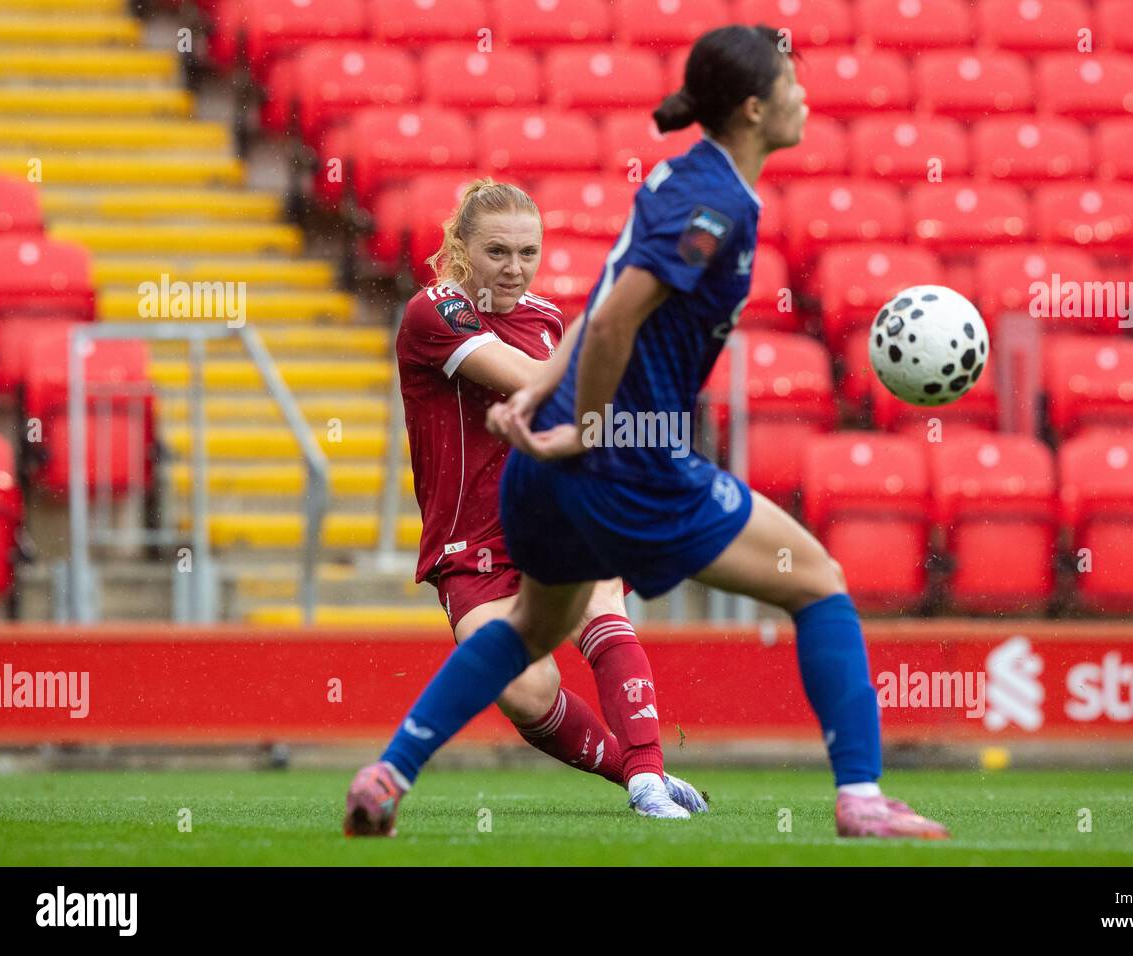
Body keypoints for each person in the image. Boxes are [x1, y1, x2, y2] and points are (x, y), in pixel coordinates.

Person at [346, 25, 949, 840]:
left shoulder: (680, 179)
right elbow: (617, 317)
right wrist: (586, 426)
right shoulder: (716, 202)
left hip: (551, 475)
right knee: (819, 582)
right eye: (792, 84)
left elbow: (594, 310)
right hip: (629, 461)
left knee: (532, 634)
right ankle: (861, 798)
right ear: (752, 106)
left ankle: (391, 773)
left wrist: (549, 409)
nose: (805, 97)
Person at [343, 179, 706, 836]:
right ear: (462, 249)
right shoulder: (436, 312)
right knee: (526, 690)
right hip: (469, 543)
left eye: (527, 253)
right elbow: (527, 377)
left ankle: (650, 775)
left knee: (603, 605)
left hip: (552, 515)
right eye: (497, 252)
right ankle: (634, 772)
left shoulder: (545, 318)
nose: (513, 268)